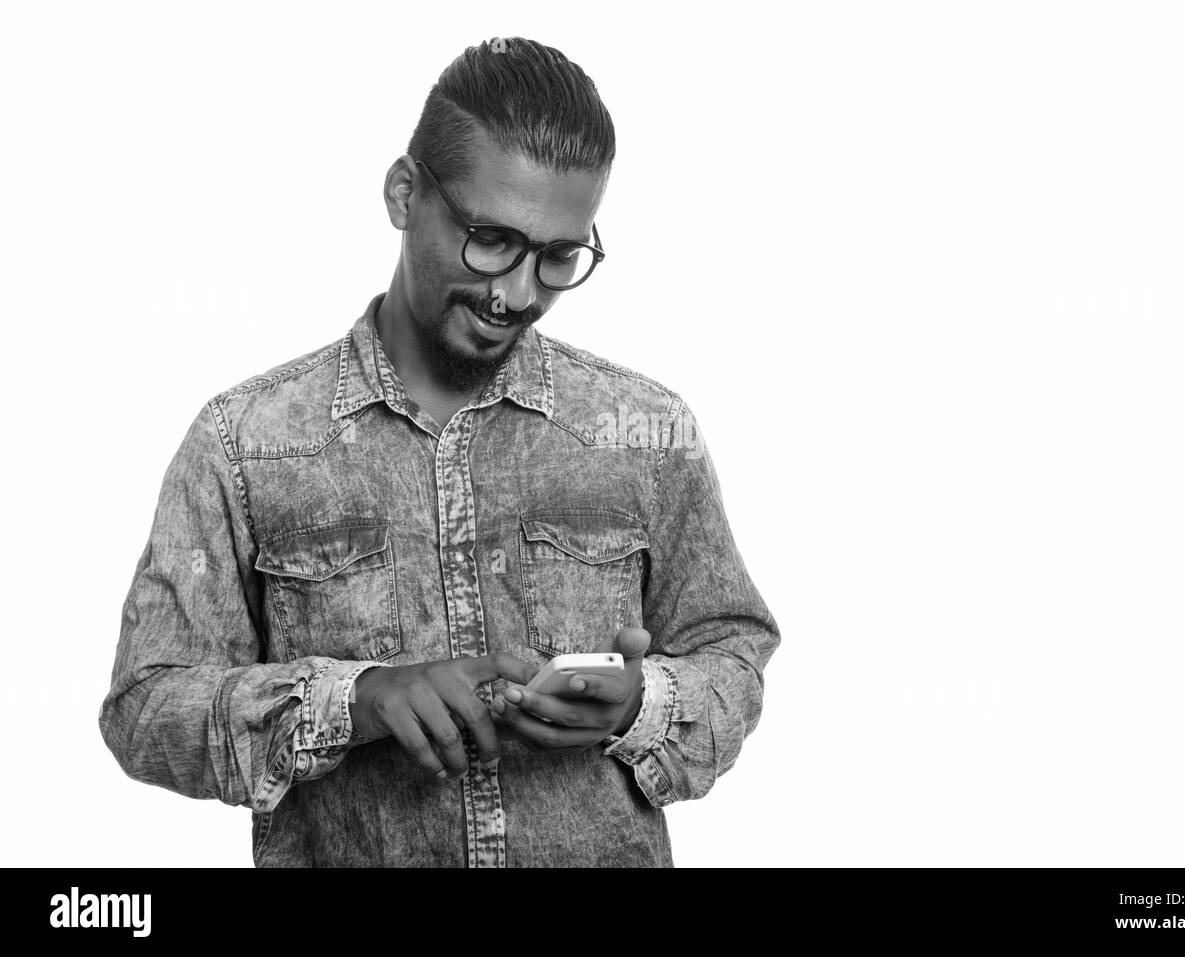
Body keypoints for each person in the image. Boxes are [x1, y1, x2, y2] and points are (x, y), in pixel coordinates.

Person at [99, 36, 781, 867]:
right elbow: (144, 710)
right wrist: (357, 699)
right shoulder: (245, 443)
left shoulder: (645, 428)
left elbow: (733, 653)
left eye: (558, 256)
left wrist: (645, 702)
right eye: (491, 239)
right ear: (403, 192)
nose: (518, 293)